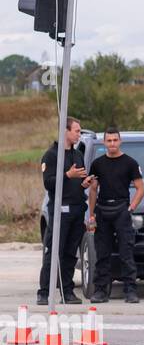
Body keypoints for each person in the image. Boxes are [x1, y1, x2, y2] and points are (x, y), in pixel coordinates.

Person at [85, 127, 144, 304]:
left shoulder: (130, 163)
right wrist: (91, 215)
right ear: (104, 143)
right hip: (102, 210)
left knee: (126, 252)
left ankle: (130, 291)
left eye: (115, 140)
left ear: (120, 142)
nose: (112, 144)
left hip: (122, 210)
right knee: (102, 253)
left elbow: (141, 189)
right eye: (109, 141)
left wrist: (131, 208)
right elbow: (93, 189)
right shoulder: (97, 164)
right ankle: (101, 291)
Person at [37, 117, 88, 305]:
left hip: (77, 210)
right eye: (76, 131)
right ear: (65, 131)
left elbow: (78, 182)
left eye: (80, 131)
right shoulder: (51, 155)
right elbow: (48, 183)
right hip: (60, 211)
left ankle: (67, 291)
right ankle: (44, 292)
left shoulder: (78, 155)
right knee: (53, 252)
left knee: (69, 254)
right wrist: (67, 174)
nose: (79, 134)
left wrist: (84, 183)